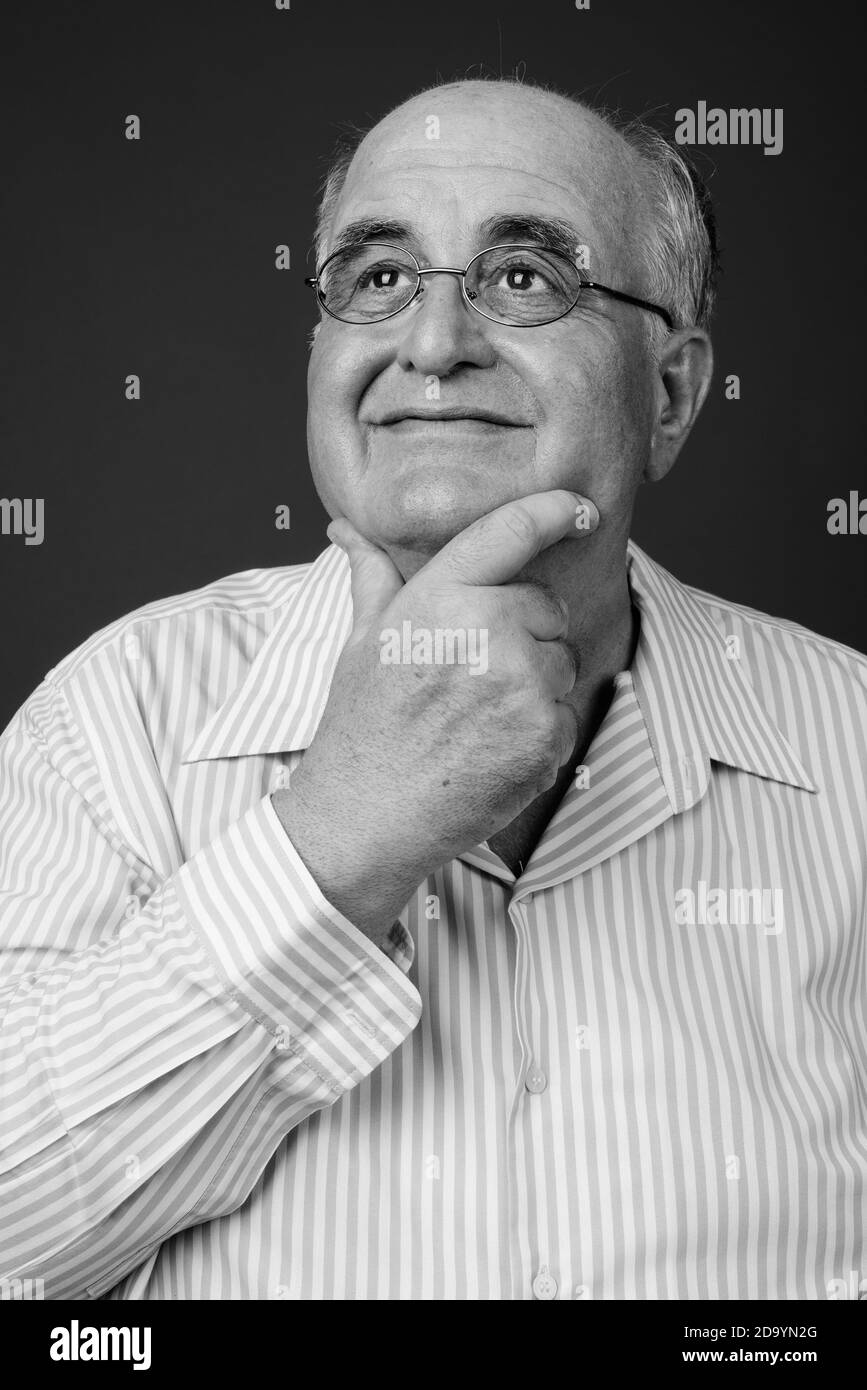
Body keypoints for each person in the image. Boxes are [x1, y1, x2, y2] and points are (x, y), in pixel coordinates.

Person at [1, 76, 864, 1301]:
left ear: (667, 393)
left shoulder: (854, 752)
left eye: (526, 277)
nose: (433, 342)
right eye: (379, 278)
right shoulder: (112, 721)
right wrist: (338, 838)